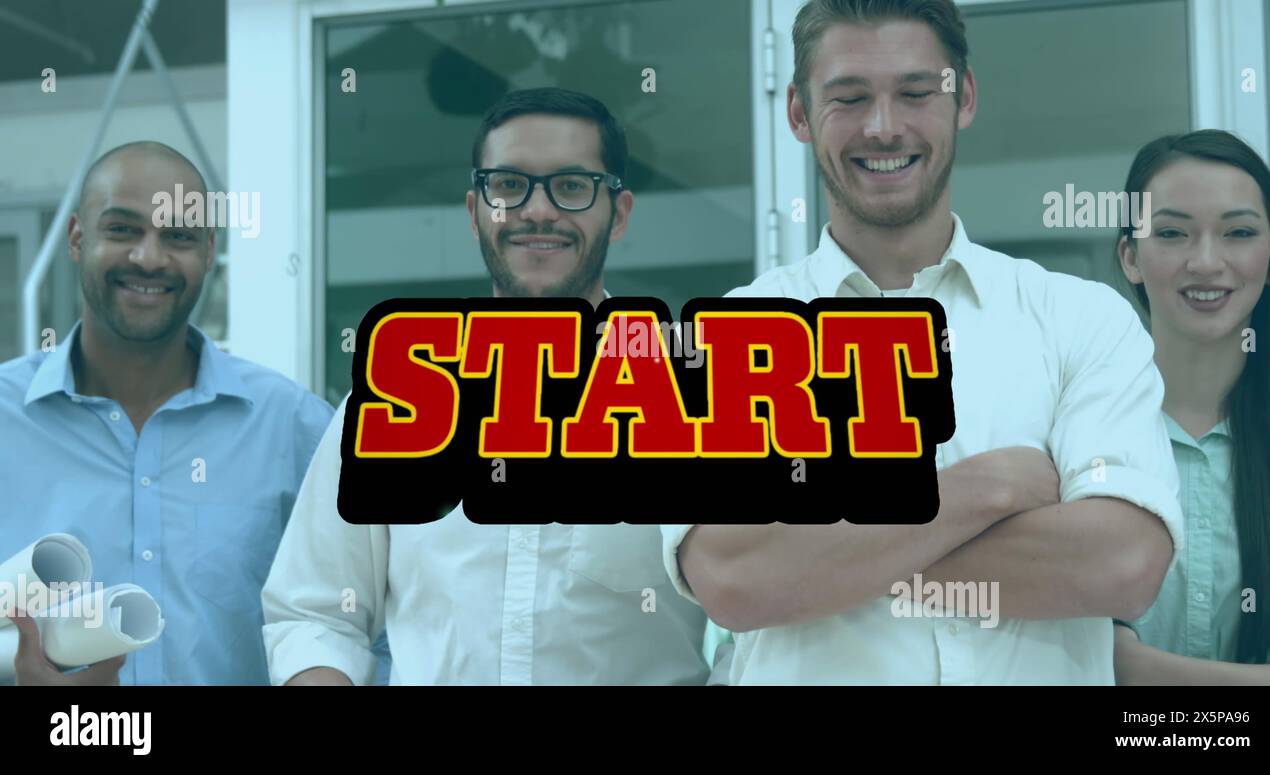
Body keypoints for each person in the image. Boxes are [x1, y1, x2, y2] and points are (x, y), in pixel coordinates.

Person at [661, 0, 1184, 684]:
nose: (883, 127)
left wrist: (821, 561)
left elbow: (1121, 563)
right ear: (797, 112)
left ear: (962, 96)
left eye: (915, 92)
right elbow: (731, 581)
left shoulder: (1082, 318)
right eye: (849, 97)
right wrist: (985, 489)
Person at [262, 88, 715, 685]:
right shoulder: (396, 396)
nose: (537, 210)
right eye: (509, 186)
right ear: (476, 212)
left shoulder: (694, 395)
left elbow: (756, 626)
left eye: (572, 186)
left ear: (620, 212)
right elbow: (314, 614)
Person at [0, 141, 333, 685]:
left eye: (177, 236)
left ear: (208, 250)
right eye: (123, 229)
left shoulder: (295, 428)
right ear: (78, 239)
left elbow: (361, 627)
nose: (149, 258)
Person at [1112, 130, 1270, 685]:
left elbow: (1116, 670)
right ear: (1131, 257)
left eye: (1239, 232)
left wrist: (1143, 672)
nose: (1206, 261)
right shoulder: (1072, 432)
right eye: (1172, 233)